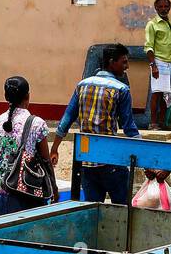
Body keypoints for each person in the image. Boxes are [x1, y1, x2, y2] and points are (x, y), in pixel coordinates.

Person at [50, 43, 141, 204]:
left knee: (92, 210)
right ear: (112, 62)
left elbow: (67, 119)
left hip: (87, 161)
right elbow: (129, 128)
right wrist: (144, 157)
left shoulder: (82, 85)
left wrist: (55, 148)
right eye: (124, 62)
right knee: (121, 211)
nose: (126, 67)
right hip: (111, 160)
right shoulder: (121, 89)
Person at [0, 76, 53, 217]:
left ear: (5, 96)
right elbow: (46, 163)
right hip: (26, 196)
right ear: (28, 96)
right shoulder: (37, 124)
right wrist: (54, 190)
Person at [143, 0, 171, 129]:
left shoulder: (170, 22)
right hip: (159, 62)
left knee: (168, 93)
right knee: (157, 93)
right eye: (161, 7)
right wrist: (153, 65)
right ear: (156, 8)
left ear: (169, 7)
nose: (164, 9)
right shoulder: (152, 24)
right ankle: (153, 123)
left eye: (166, 6)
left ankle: (163, 122)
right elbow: (148, 47)